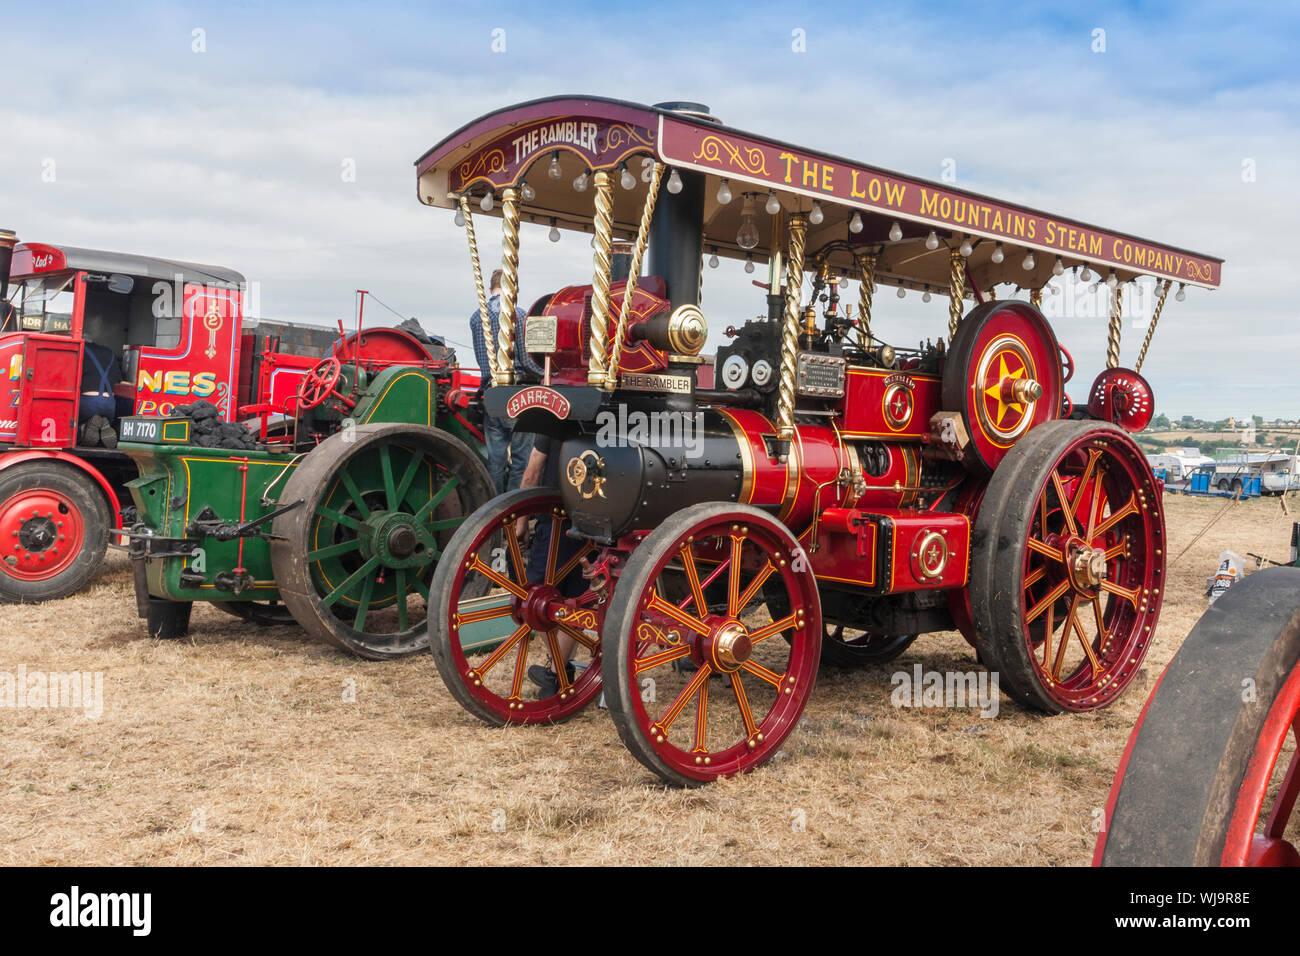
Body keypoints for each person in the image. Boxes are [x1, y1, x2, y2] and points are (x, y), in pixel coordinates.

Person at [517, 433, 588, 698]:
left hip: (556, 519)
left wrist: (521, 522)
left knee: (534, 598)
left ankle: (558, 672)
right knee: (577, 600)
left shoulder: (552, 422)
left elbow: (532, 472)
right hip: (594, 519)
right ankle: (560, 670)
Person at [470, 269, 545, 494]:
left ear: (491, 287)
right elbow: (526, 359)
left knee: (495, 459)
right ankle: (514, 508)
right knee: (522, 458)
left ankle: (492, 507)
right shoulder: (518, 314)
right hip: (518, 394)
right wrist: (544, 374)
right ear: (514, 288)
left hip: (491, 394)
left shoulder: (476, 317)